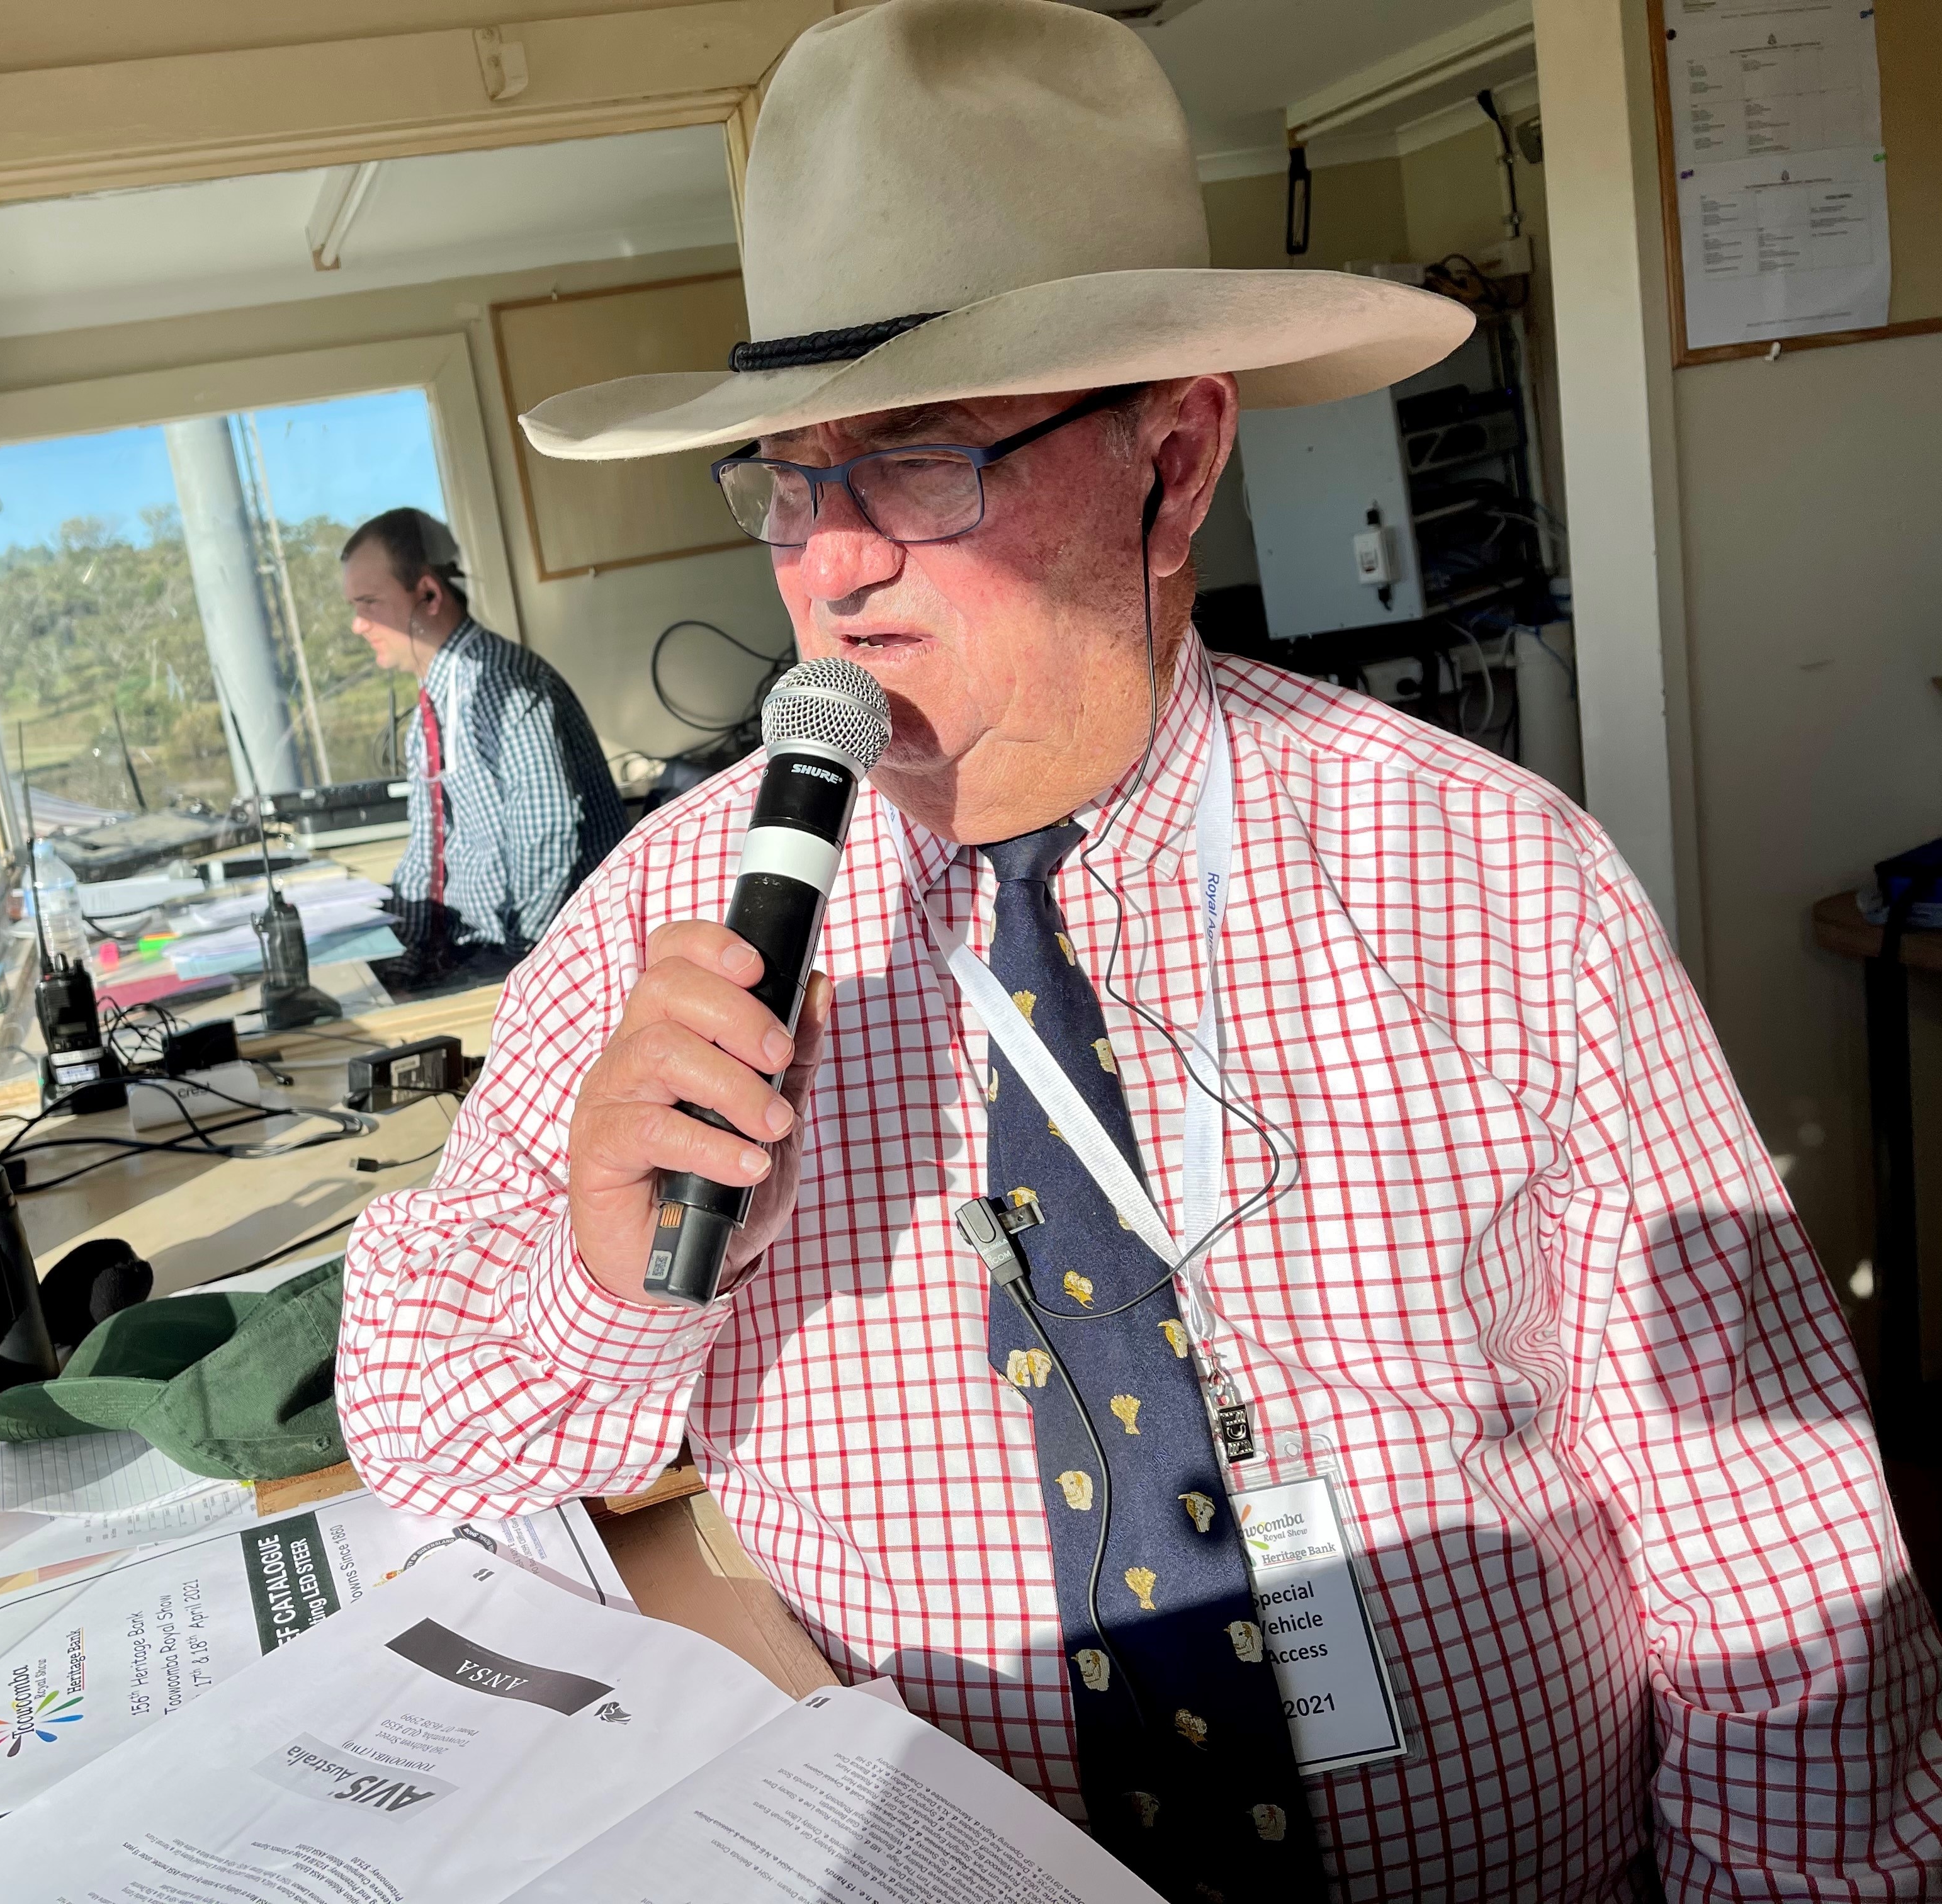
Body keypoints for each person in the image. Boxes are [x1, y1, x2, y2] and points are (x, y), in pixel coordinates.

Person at [337, 3, 1942, 1899]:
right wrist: (609, 1276)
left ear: (1176, 465)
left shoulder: (1498, 877)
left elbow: (1773, 1550)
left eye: (920, 458)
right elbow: (422, 1448)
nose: (827, 564)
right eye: (788, 476)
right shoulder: (665, 925)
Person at [339, 506, 627, 986]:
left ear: (429, 594)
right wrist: (409, 956)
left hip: (544, 956)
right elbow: (425, 845)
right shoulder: (437, 698)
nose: (358, 625)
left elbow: (547, 829)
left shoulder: (498, 683)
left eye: (369, 603)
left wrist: (520, 966)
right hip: (472, 945)